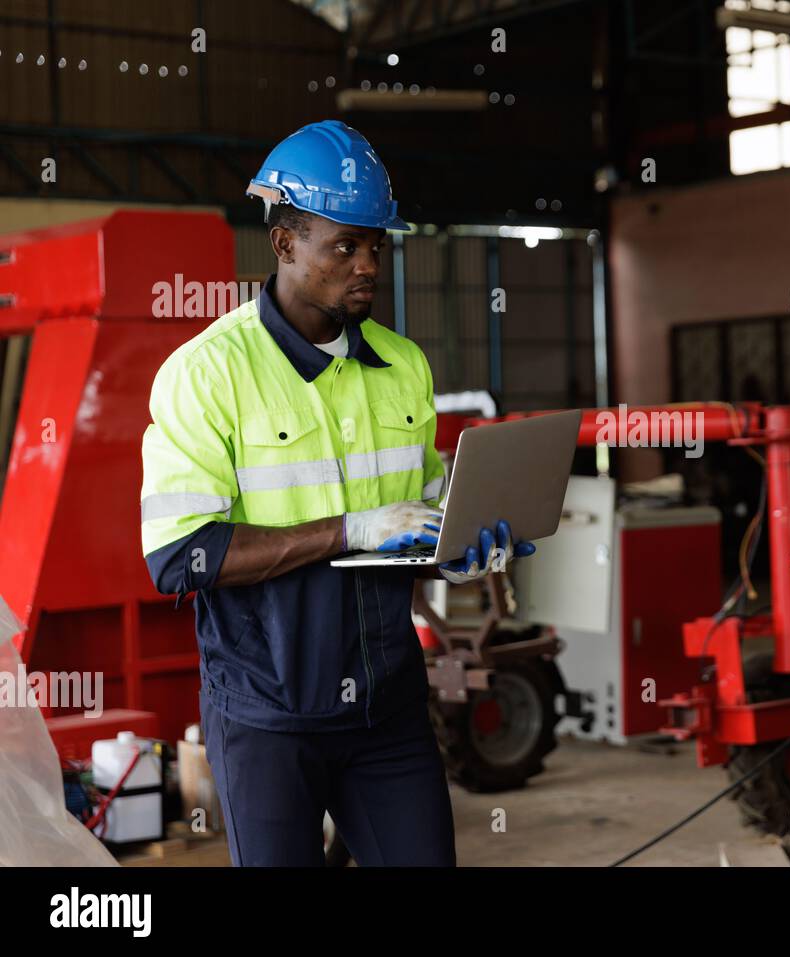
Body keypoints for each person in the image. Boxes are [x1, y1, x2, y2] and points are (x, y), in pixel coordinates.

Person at [139, 119, 532, 865]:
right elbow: (177, 556)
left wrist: (460, 547)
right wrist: (349, 528)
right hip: (267, 718)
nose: (367, 264)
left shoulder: (403, 365)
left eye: (376, 245)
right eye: (344, 245)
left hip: (387, 708)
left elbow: (410, 522)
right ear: (285, 244)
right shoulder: (207, 373)